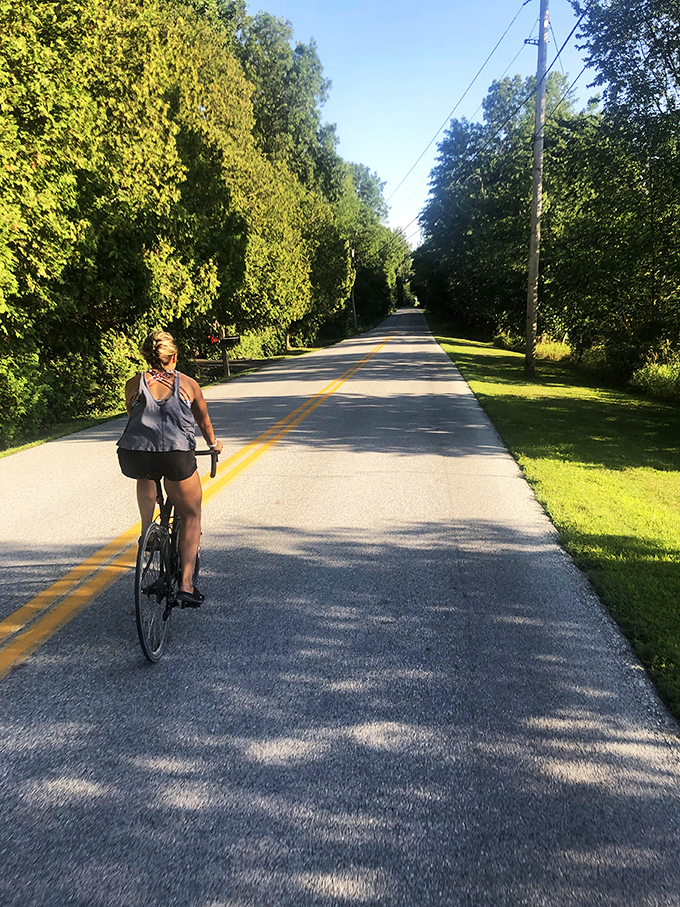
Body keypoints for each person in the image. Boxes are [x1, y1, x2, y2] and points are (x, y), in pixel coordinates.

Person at [117, 331, 223, 606]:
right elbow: (204, 422)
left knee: (146, 472)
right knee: (190, 514)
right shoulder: (188, 384)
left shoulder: (133, 384)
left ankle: (147, 532)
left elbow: (135, 418)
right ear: (174, 356)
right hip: (176, 456)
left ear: (146, 356)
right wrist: (213, 445)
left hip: (135, 454)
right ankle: (186, 585)